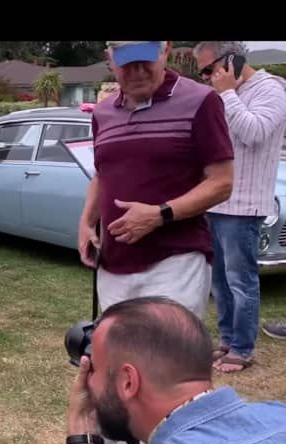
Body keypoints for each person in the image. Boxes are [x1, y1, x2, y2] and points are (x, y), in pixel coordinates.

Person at [78, 41, 234, 320]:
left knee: (169, 360)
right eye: (127, 63)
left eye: (145, 60)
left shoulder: (201, 101)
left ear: (166, 52)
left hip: (176, 263)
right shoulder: (102, 113)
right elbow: (103, 174)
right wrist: (87, 222)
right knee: (120, 358)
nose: (137, 71)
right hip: (113, 264)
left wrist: (160, 214)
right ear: (109, 59)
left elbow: (222, 183)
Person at [66, 296, 286, 444]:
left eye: (94, 369)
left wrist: (81, 430)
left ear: (128, 382)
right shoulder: (278, 413)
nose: (89, 381)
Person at [193, 41, 286, 372]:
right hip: (215, 199)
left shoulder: (271, 89)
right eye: (201, 73)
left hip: (244, 204)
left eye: (209, 69)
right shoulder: (218, 95)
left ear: (232, 60)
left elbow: (255, 132)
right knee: (219, 282)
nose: (207, 78)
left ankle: (243, 349)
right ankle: (228, 340)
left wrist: (229, 94)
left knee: (241, 280)